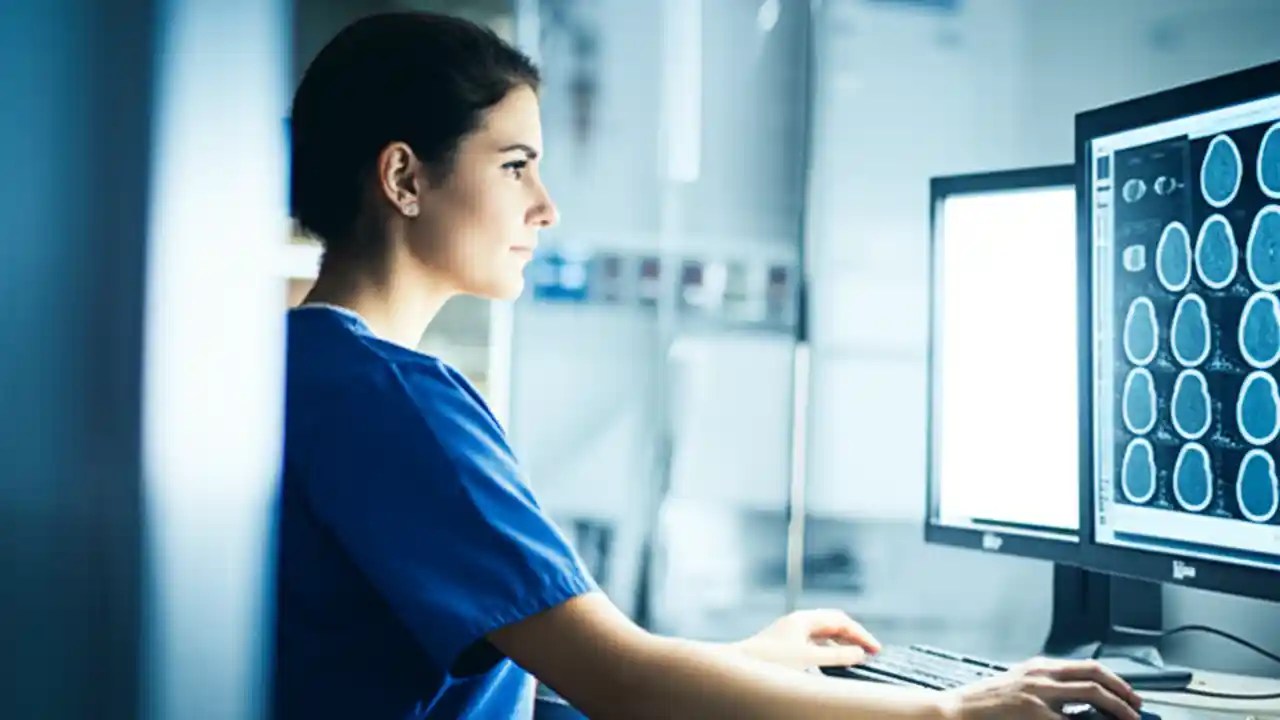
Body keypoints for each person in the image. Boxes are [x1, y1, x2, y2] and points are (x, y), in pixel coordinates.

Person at [275, 11, 1144, 720]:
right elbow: (616, 682)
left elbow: (545, 671)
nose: (545, 207)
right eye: (516, 166)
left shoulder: (299, 363)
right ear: (403, 178)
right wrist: (945, 714)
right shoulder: (396, 399)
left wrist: (741, 665)